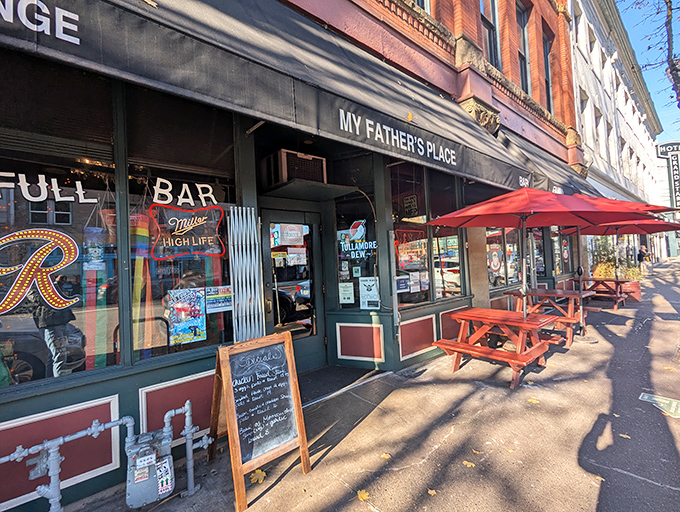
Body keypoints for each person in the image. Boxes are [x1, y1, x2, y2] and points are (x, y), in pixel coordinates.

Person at [31, 275, 77, 378]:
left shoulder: (53, 286)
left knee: (54, 355)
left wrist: (58, 283)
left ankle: (51, 381)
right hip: (51, 324)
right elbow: (41, 299)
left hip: (61, 321)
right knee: (59, 356)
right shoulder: (33, 286)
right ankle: (58, 384)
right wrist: (55, 284)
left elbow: (63, 296)